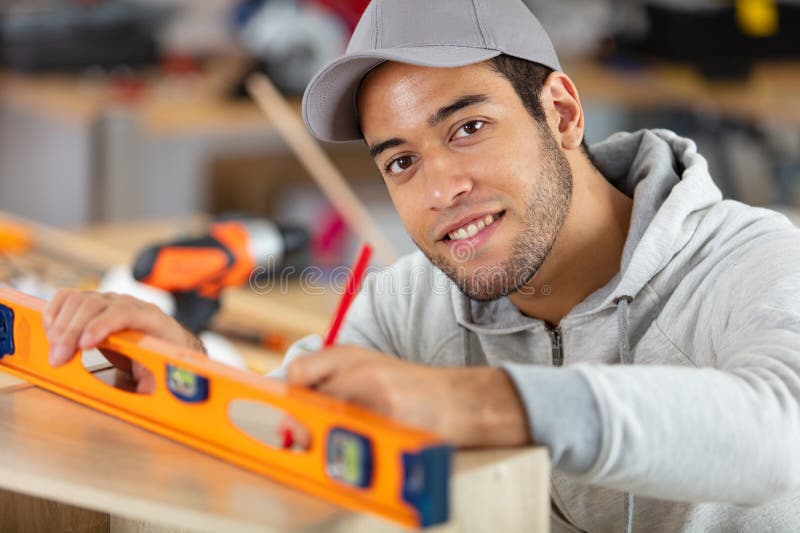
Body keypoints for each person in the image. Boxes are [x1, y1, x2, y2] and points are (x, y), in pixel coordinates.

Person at [42, 0, 800, 531]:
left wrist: (484, 404)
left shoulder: (750, 258)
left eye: (468, 127)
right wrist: (191, 373)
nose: (441, 190)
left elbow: (781, 429)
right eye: (401, 161)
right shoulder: (411, 301)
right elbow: (294, 422)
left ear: (562, 113)